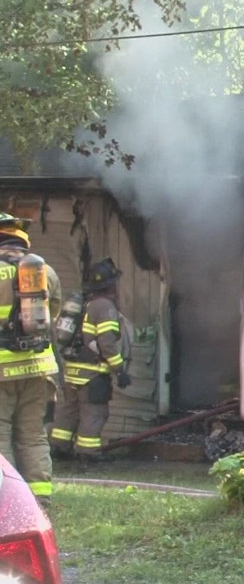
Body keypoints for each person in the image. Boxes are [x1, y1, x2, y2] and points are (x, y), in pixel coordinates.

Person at [0, 213, 62, 509]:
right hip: (39, 369)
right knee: (33, 437)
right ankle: (39, 503)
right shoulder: (44, 271)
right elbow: (55, 317)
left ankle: (6, 506)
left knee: (1, 439)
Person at [49, 257, 129, 465]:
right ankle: (89, 454)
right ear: (111, 285)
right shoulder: (104, 307)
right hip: (92, 373)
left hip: (71, 370)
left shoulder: (83, 302)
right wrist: (119, 369)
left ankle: (59, 447)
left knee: (69, 410)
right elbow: (107, 343)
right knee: (94, 412)